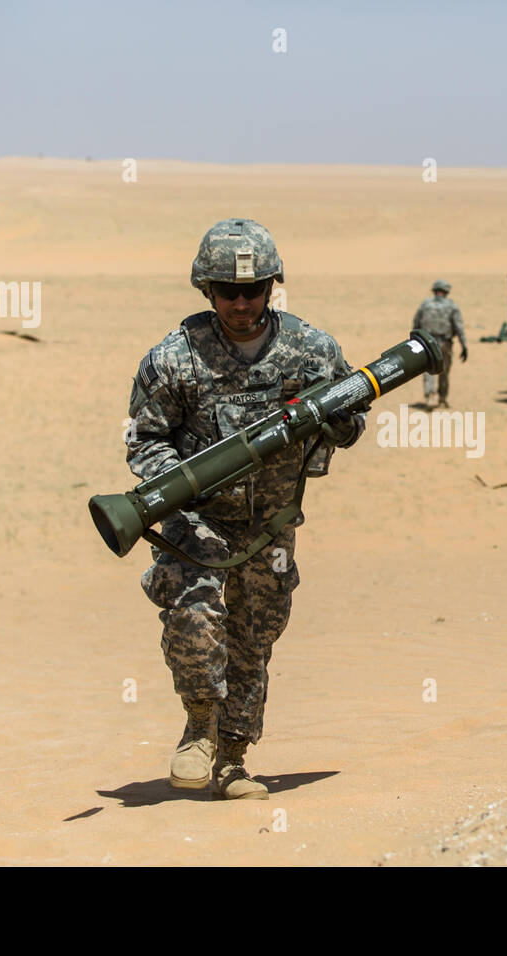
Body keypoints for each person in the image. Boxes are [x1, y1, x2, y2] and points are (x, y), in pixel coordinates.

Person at [124, 218, 365, 800]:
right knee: (197, 615)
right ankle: (200, 723)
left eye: (253, 289)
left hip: (272, 525)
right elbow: (145, 440)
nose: (240, 302)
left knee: (255, 637)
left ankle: (233, 760)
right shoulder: (174, 359)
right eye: (228, 291)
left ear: (272, 287)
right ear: (206, 290)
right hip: (197, 522)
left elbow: (351, 422)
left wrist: (339, 424)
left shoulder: (311, 349)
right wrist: (183, 484)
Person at [411, 280, 467, 408]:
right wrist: (464, 346)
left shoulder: (425, 304)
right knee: (444, 371)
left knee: (428, 370)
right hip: (444, 344)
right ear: (446, 292)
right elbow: (459, 327)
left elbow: (416, 324)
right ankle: (442, 398)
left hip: (426, 344)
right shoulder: (452, 306)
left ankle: (430, 397)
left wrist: (414, 343)